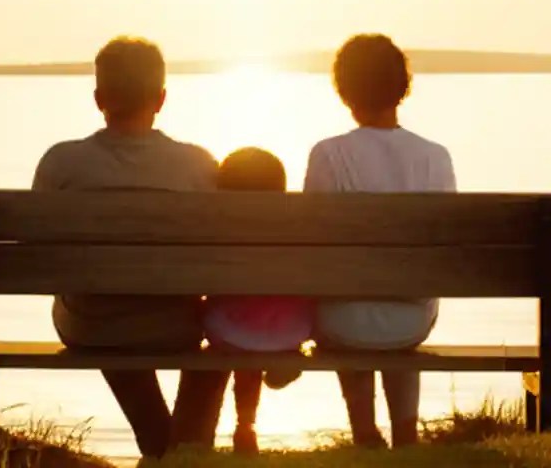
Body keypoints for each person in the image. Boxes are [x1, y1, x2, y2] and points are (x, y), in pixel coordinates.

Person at [31, 36, 218, 460]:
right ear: (162, 99)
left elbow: (37, 254)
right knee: (213, 353)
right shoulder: (198, 165)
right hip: (176, 326)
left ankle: (166, 450)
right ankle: (180, 451)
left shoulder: (61, 163)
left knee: (109, 314)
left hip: (90, 325)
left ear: (98, 99)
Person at [303, 34, 456, 449]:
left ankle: (364, 430)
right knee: (406, 292)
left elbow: (311, 246)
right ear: (402, 87)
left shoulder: (328, 155)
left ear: (343, 91)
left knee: (346, 296)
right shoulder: (435, 157)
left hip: (341, 324)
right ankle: (406, 431)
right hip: (413, 323)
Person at [177, 148, 314, 455]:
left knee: (235, 331)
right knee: (256, 324)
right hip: (291, 330)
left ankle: (197, 443)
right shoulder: (298, 225)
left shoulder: (217, 225)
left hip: (228, 331)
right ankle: (245, 425)